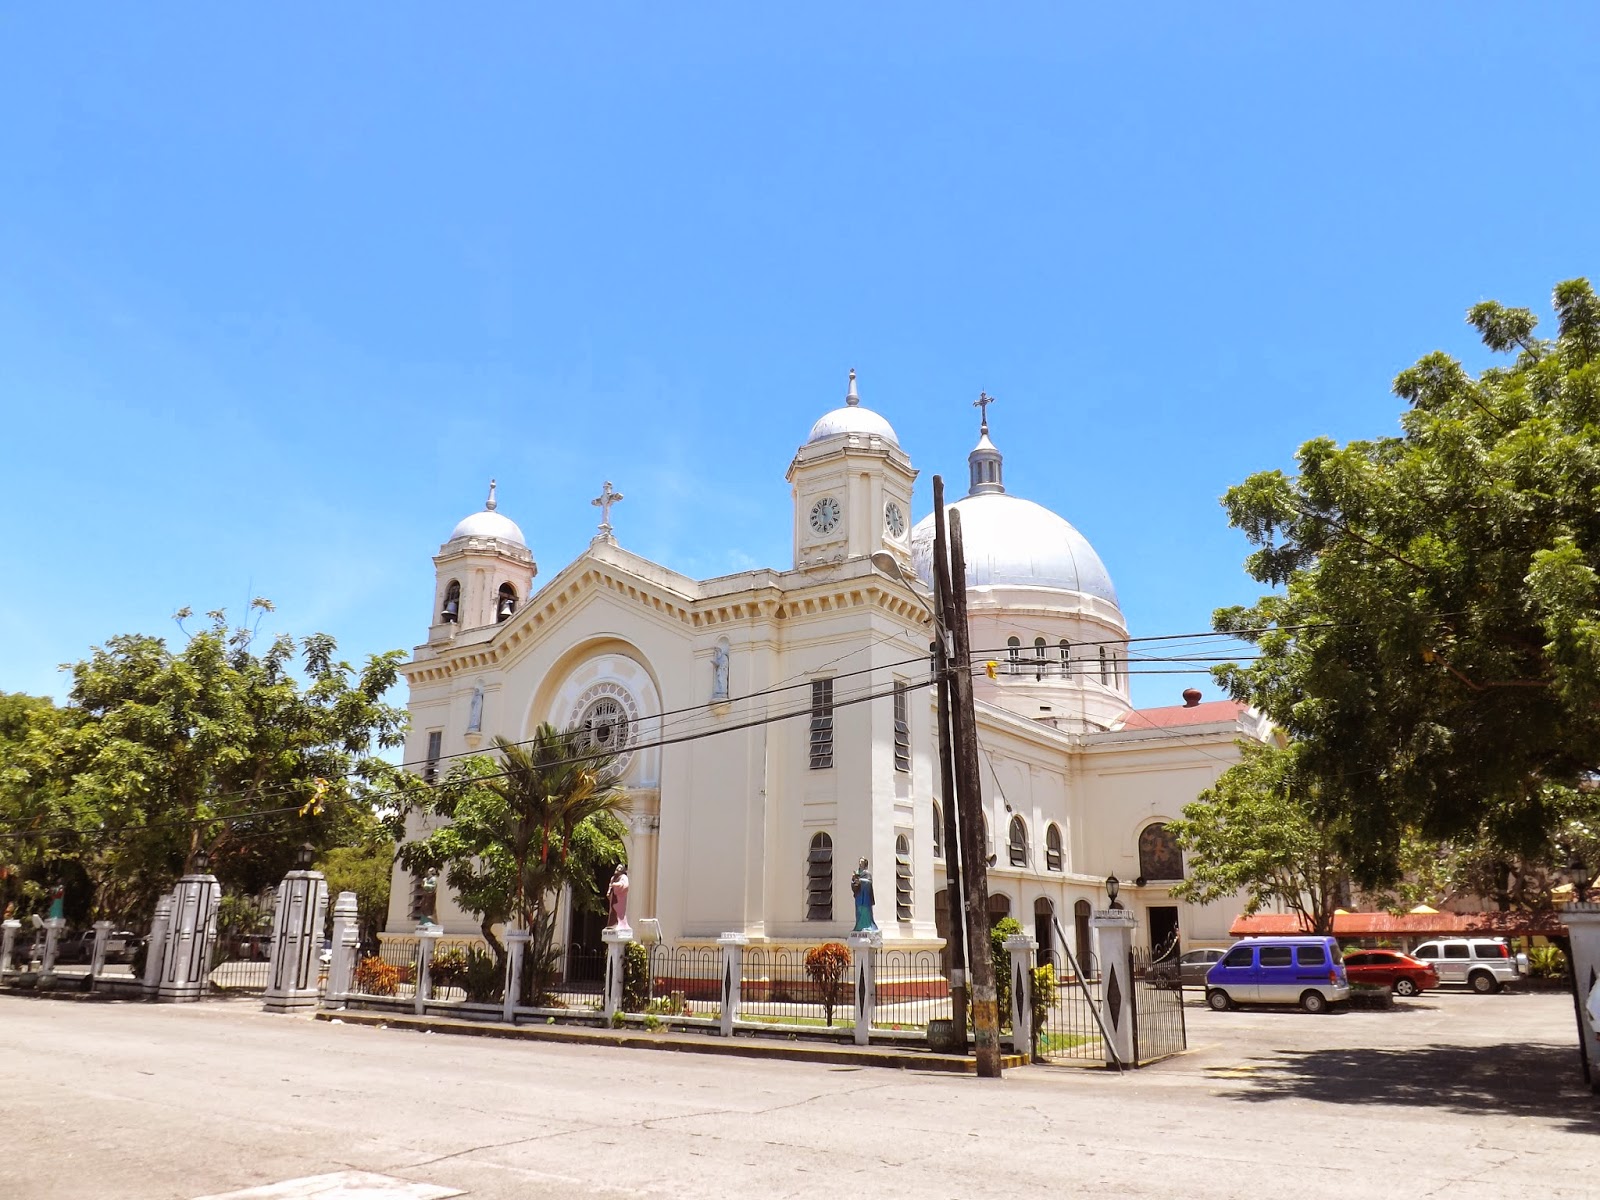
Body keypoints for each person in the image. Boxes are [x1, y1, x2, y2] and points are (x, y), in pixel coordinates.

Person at [851, 857, 878, 933]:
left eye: (862, 862)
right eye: (859, 862)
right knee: (859, 911)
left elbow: (869, 882)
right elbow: (853, 883)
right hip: (859, 895)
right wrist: (854, 881)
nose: (860, 863)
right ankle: (859, 926)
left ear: (865, 864)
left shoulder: (867, 873)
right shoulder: (857, 873)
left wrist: (860, 880)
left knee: (866, 911)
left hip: (866, 896)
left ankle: (867, 926)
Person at [606, 864, 630, 931]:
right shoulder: (613, 878)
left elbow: (625, 885)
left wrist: (616, 885)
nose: (617, 869)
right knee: (612, 910)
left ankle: (620, 924)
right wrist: (608, 892)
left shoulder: (624, 877)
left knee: (619, 911)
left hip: (620, 898)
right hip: (613, 896)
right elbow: (610, 885)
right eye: (617, 867)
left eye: (619, 868)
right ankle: (611, 924)